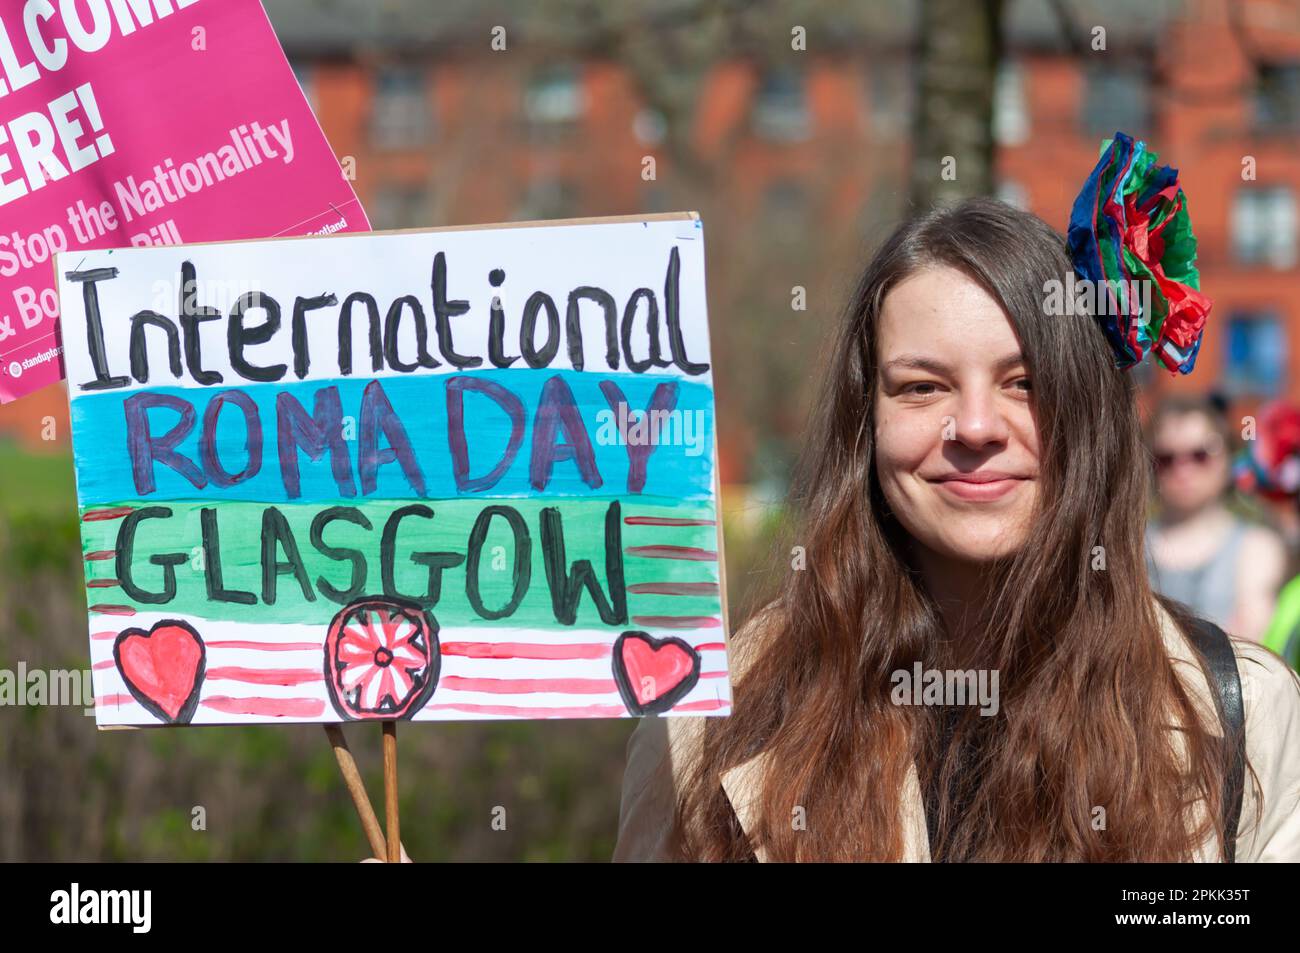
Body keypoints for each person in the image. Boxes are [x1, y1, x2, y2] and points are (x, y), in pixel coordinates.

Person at [613, 191, 1300, 862]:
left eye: (1024, 382)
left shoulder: (1247, 714)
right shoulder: (711, 719)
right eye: (922, 386)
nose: (973, 426)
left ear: (1089, 414)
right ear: (868, 422)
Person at [1145, 396, 1286, 641]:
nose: (1183, 469)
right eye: (1167, 458)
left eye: (1200, 454)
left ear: (1227, 457)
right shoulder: (1125, 545)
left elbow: (1248, 645)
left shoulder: (1257, 546)